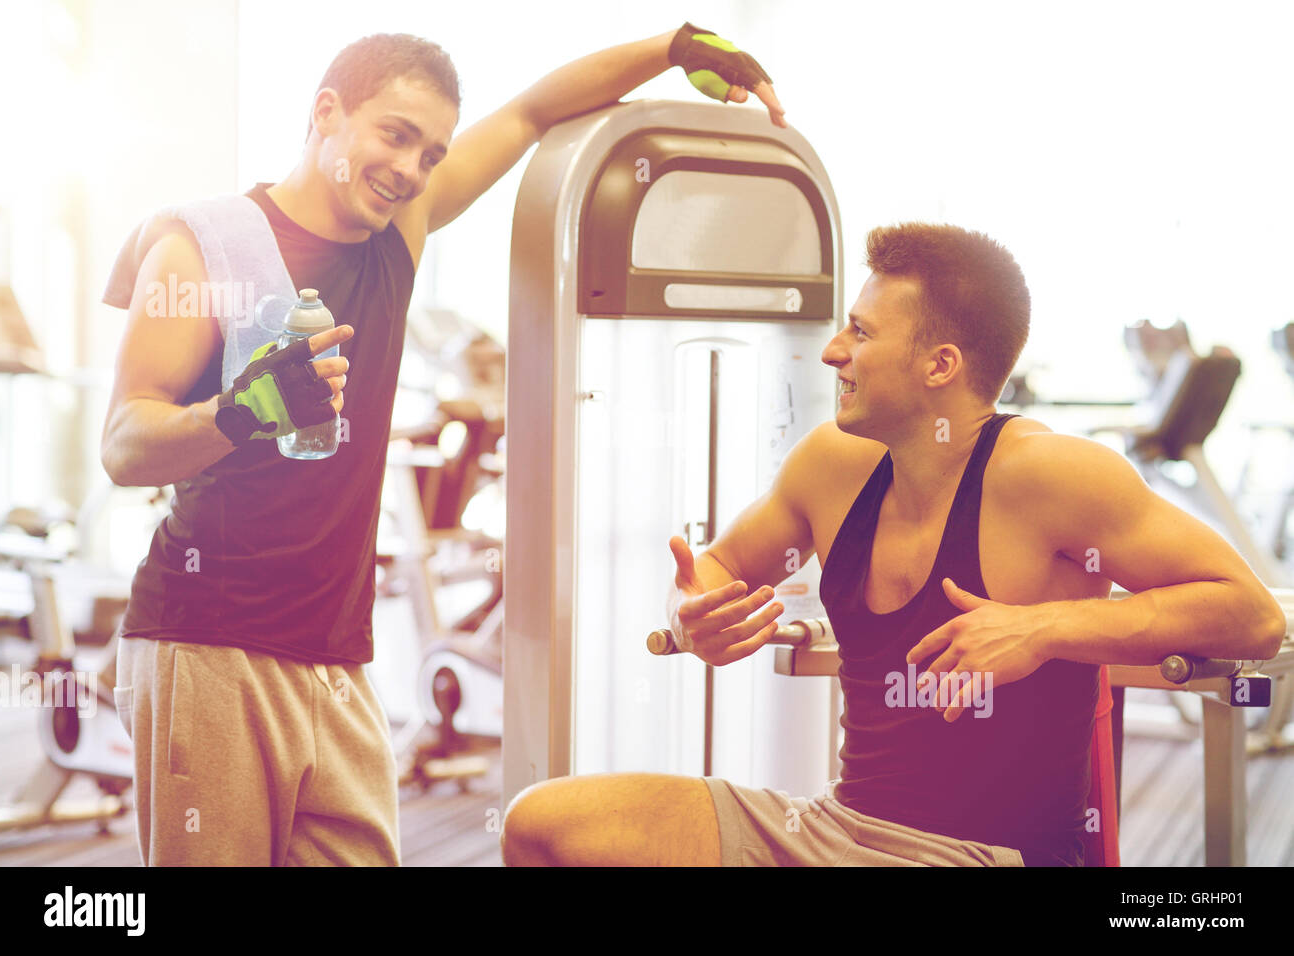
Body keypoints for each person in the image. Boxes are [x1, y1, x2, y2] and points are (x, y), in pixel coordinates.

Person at [100, 23, 784, 866]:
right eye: (395, 135)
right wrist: (238, 413)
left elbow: (535, 110)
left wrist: (677, 47)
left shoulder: (400, 230)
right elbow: (124, 444)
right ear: (327, 113)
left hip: (338, 659)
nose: (412, 169)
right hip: (209, 644)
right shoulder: (204, 249)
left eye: (432, 153)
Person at [500, 222, 1286, 867]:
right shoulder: (831, 466)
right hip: (834, 835)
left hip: (982, 856)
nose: (833, 352)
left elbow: (1252, 615)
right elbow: (718, 569)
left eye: (861, 334)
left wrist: (1045, 629)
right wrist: (693, 612)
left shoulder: (1051, 476)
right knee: (544, 825)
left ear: (940, 364)